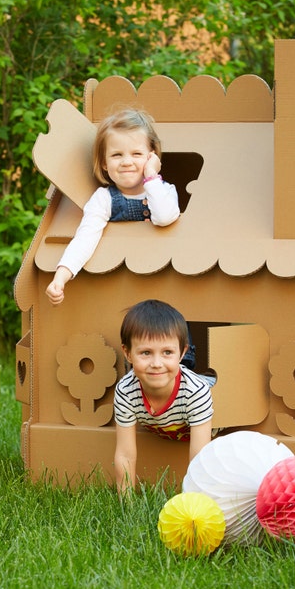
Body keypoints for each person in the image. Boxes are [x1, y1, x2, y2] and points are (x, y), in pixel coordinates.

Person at [45, 108, 180, 306]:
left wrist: (151, 177)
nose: (127, 162)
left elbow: (165, 217)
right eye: (117, 155)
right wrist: (60, 277)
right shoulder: (104, 199)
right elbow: (85, 238)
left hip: (163, 281)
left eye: (137, 153)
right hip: (123, 285)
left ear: (152, 157)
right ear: (104, 163)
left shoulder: (163, 191)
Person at [113, 299, 214, 494]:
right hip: (172, 423)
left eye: (167, 352)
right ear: (127, 353)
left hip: (204, 415)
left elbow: (200, 456)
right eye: (146, 353)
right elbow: (125, 454)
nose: (156, 363)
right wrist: (126, 506)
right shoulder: (126, 391)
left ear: (182, 352)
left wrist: (193, 504)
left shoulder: (196, 392)